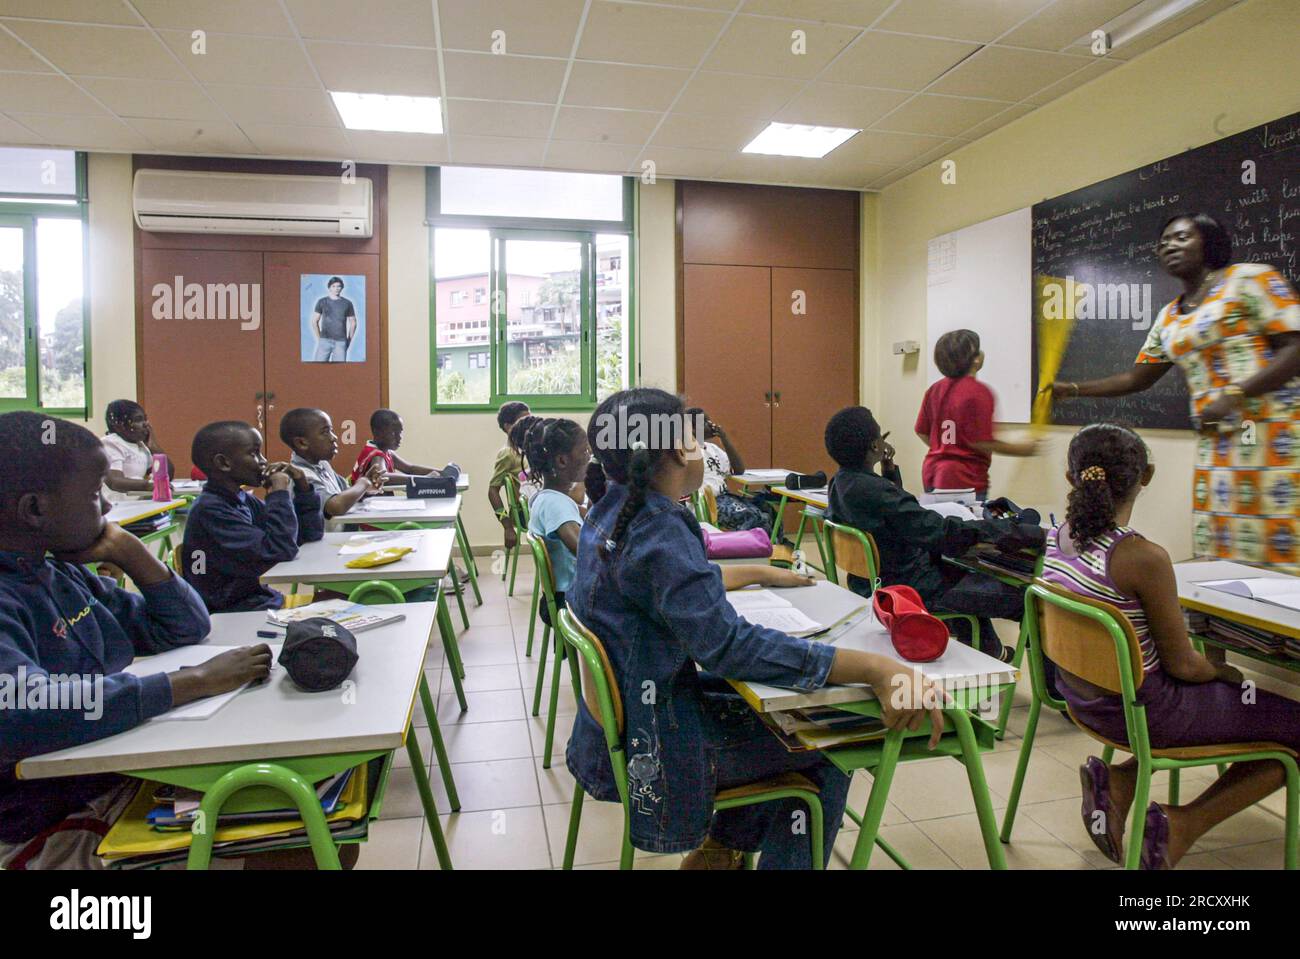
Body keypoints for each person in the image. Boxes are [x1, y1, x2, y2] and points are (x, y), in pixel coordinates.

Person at [568, 388, 945, 869]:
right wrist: (873, 668)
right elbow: (728, 647)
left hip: (630, 726)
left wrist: (761, 571)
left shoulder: (612, 512)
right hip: (663, 741)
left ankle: (721, 852)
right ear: (676, 449)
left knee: (780, 718)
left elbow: (668, 587)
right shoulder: (656, 530)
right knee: (827, 745)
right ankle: (727, 848)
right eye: (691, 431)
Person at [0, 412, 271, 870]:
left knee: (307, 817)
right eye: (93, 495)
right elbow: (24, 706)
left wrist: (130, 551)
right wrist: (191, 682)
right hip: (48, 815)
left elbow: (184, 627)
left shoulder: (58, 572)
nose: (106, 508)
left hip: (110, 771)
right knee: (288, 838)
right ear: (34, 510)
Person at [1041, 423, 1300, 869]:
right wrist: (1225, 673)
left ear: (1071, 478)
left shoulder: (1056, 540)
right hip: (1148, 711)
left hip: (1083, 700)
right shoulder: (1143, 557)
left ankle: (1120, 782)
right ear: (1148, 475)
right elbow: (1183, 666)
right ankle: (1183, 824)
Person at [1047, 213, 1300, 573]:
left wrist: (1237, 394)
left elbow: (1295, 346)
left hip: (1274, 438)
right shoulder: (1170, 316)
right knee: (1226, 545)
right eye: (1164, 241)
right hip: (1220, 448)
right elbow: (1138, 377)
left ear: (1209, 243)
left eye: (1182, 237)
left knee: (1281, 540)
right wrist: (1073, 390)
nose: (1169, 246)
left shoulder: (1251, 280)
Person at [824, 405, 1043, 660]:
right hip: (913, 588)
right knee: (1026, 600)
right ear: (875, 446)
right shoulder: (876, 492)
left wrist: (889, 471)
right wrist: (1011, 530)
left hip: (875, 582)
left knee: (962, 571)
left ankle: (991, 651)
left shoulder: (840, 484)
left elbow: (894, 516)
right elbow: (940, 532)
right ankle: (1051, 688)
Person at [182, 421, 324, 613]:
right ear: (223, 463)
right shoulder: (211, 510)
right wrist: (278, 493)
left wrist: (303, 486)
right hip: (234, 612)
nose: (264, 461)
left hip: (258, 600)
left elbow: (307, 535)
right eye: (253, 453)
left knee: (339, 600)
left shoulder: (240, 499)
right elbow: (280, 550)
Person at [915, 330, 1037, 499]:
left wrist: (943, 449)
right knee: (966, 524)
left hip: (932, 472)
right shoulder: (979, 392)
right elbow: (981, 441)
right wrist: (1021, 449)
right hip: (965, 478)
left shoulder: (934, 390)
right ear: (976, 359)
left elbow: (921, 431)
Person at [523, 419, 588, 625]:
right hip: (568, 601)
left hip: (560, 596)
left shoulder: (546, 497)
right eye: (584, 451)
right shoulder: (556, 505)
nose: (589, 457)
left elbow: (586, 515)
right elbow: (585, 552)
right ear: (562, 461)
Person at [279, 408, 385, 519]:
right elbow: (336, 506)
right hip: (324, 536)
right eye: (325, 432)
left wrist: (366, 490)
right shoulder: (301, 476)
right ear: (302, 443)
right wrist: (363, 483)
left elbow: (345, 493)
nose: (334, 437)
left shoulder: (322, 464)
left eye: (331, 430)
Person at [684, 406, 771, 532]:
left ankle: (775, 546)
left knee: (766, 509)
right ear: (692, 429)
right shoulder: (690, 450)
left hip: (724, 497)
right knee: (752, 517)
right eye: (705, 422)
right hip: (708, 503)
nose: (711, 425)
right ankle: (749, 548)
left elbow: (739, 470)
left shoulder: (713, 448)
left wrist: (725, 439)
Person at [101, 399, 174, 502]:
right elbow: (114, 482)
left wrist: (154, 447)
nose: (146, 424)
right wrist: (149, 485)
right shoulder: (110, 443)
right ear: (118, 425)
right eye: (138, 420)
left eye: (145, 419)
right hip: (116, 506)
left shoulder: (140, 445)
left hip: (137, 503)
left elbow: (166, 475)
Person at [351, 409, 439, 483]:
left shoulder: (385, 451)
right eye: (393, 432)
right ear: (377, 432)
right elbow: (383, 476)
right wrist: (424, 479)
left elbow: (409, 469)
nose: (399, 437)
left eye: (400, 432)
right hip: (367, 502)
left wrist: (442, 473)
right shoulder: (377, 456)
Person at [489, 401, 531, 552]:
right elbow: (492, 491)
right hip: (526, 513)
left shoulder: (528, 448)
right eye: (524, 421)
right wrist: (506, 526)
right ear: (508, 427)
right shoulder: (507, 454)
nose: (530, 425)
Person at [311, 276, 357, 363]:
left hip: (340, 342)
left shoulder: (347, 303)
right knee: (318, 368)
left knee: (339, 372)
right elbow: (314, 321)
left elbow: (353, 323)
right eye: (333, 286)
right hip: (325, 340)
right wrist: (320, 338)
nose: (336, 288)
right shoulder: (322, 301)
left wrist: (349, 341)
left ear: (342, 288)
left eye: (339, 286)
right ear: (329, 287)